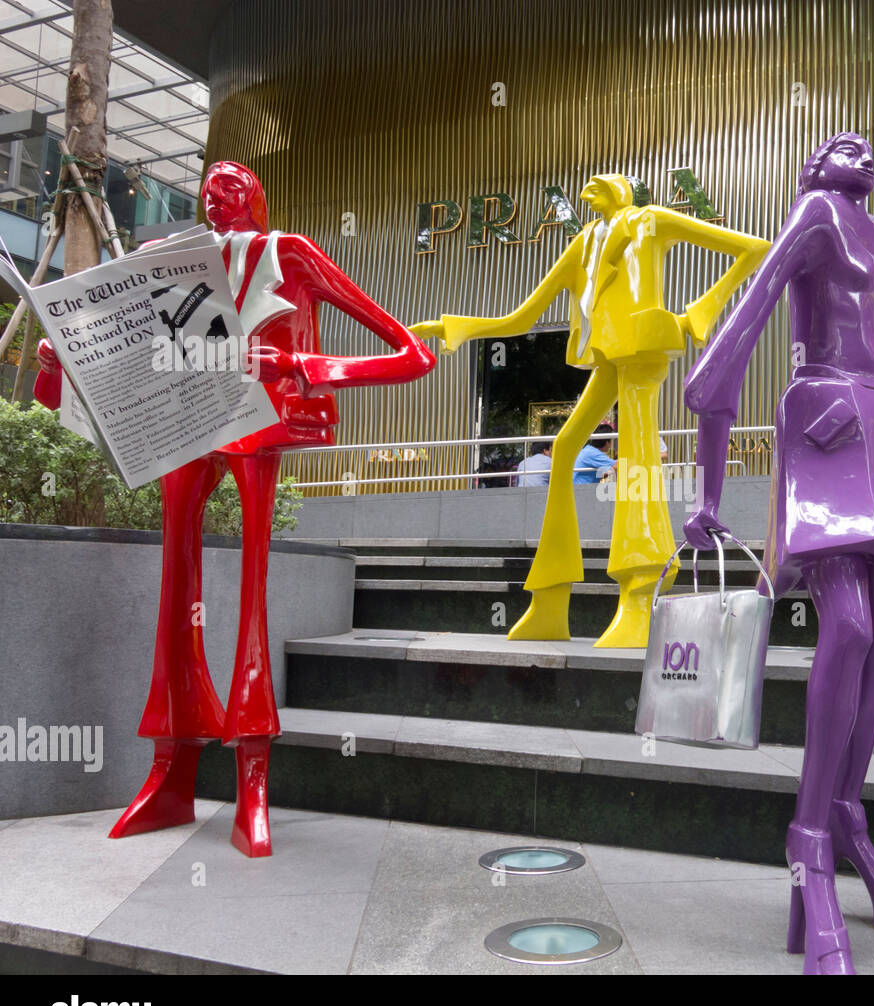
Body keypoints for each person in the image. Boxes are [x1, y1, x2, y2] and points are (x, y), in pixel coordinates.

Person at [35, 161, 437, 856]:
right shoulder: (162, 260)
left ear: (258, 196)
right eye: (210, 191)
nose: (217, 199)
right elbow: (82, 383)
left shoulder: (291, 253)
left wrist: (316, 367)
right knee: (174, 594)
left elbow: (412, 354)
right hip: (182, 420)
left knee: (253, 591)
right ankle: (170, 772)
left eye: (231, 189)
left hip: (255, 421)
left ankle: (253, 781)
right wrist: (62, 358)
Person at [685, 132, 874, 975]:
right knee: (850, 626)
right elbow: (741, 330)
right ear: (812, 166)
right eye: (842, 144)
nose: (863, 150)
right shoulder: (814, 215)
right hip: (824, 421)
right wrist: (710, 494)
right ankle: (812, 843)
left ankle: (846, 822)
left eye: (870, 147)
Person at [413, 173, 768, 646]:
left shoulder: (650, 220)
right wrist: (457, 328)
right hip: (607, 354)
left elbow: (755, 248)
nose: (589, 194)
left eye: (599, 187)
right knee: (562, 450)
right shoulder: (583, 244)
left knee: (637, 454)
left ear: (620, 192)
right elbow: (522, 316)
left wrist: (700, 309)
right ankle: (551, 597)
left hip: (642, 350)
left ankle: (641, 594)